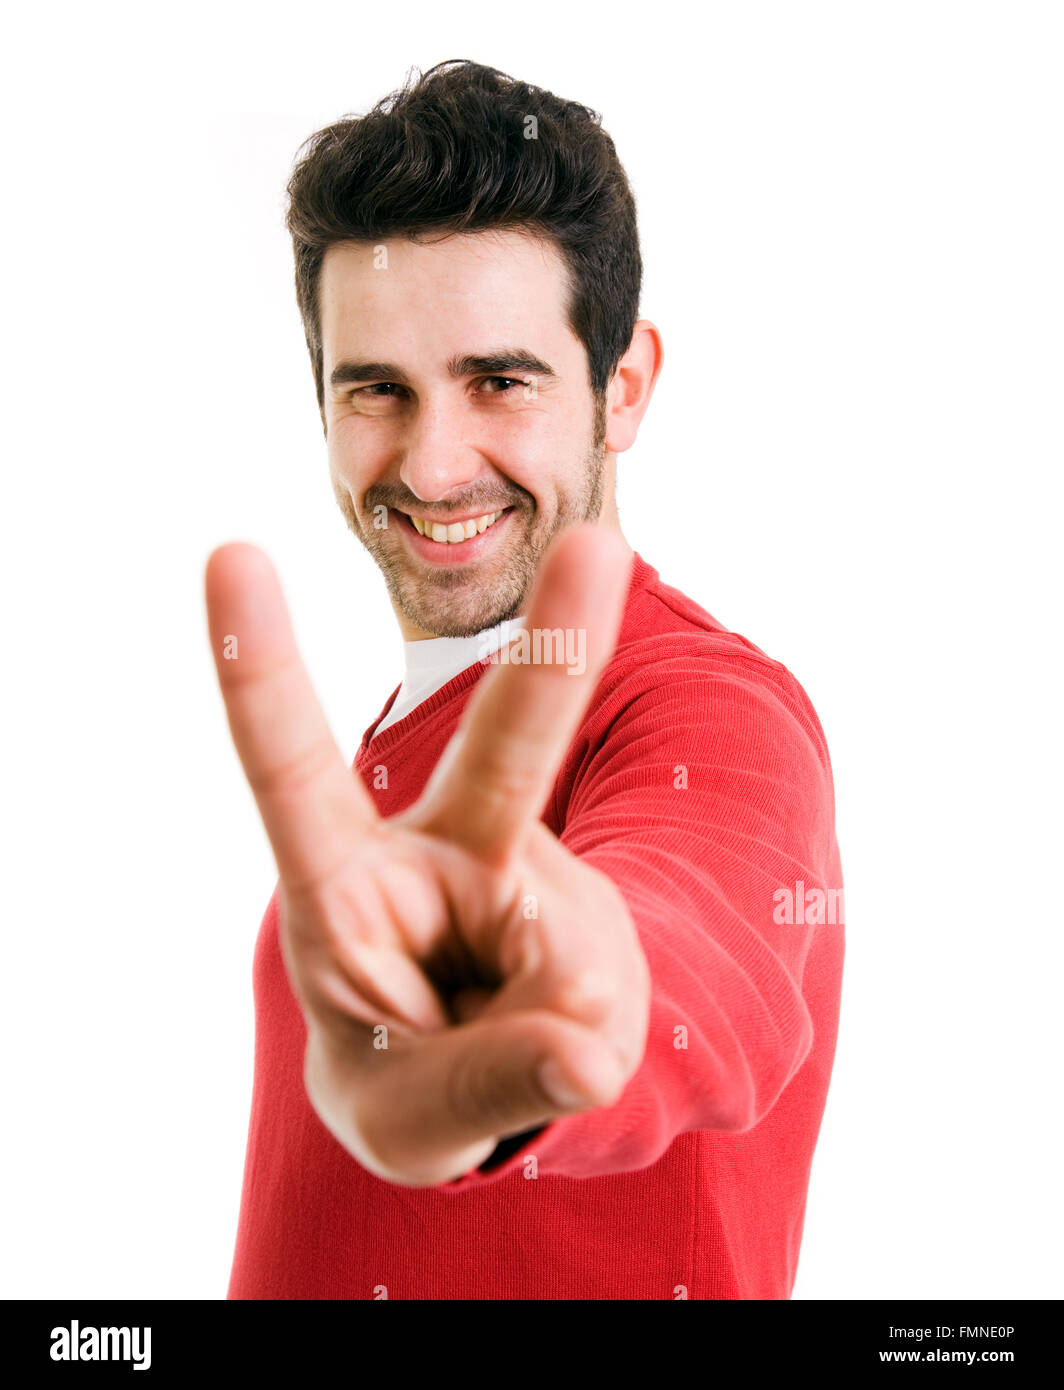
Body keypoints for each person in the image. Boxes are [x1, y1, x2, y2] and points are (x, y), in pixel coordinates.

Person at [205, 59, 845, 1300]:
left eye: (500, 381)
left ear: (622, 388)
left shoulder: (706, 710)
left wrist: (539, 1001)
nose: (435, 465)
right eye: (377, 389)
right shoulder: (405, 729)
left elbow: (692, 951)